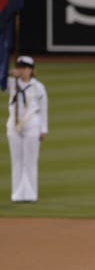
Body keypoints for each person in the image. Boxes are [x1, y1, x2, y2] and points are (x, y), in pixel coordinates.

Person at [6, 56, 47, 203]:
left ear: (31, 70)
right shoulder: (11, 83)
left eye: (25, 68)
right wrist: (9, 74)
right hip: (13, 126)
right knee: (16, 160)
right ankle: (17, 193)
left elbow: (43, 109)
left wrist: (43, 129)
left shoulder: (38, 87)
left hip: (32, 125)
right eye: (19, 67)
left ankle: (30, 194)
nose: (22, 70)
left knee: (30, 160)